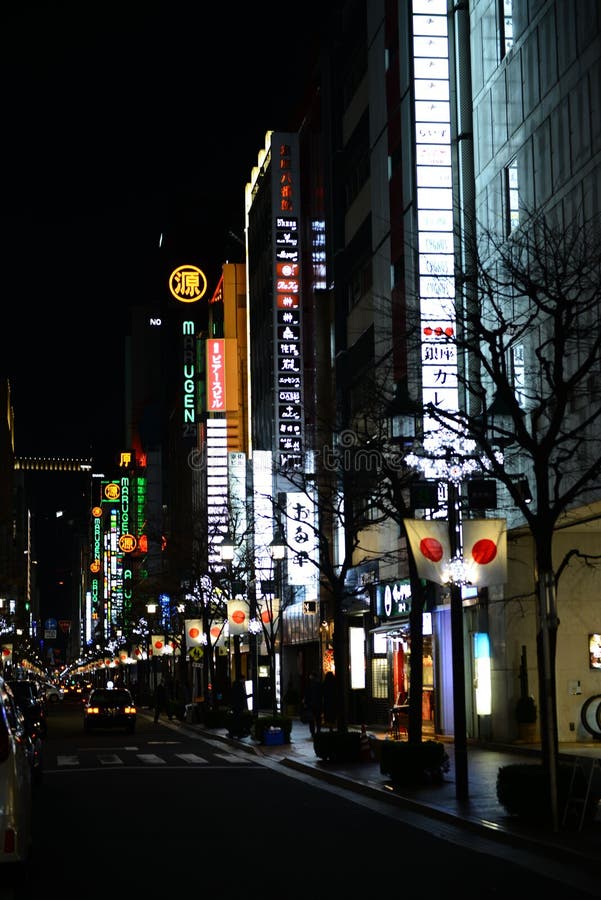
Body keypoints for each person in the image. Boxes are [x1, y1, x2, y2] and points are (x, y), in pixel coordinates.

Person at [303, 672, 323, 737]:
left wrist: (305, 703)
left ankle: (312, 732)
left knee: (311, 719)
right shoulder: (319, 684)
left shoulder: (309, 684)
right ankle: (318, 730)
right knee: (318, 718)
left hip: (311, 704)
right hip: (318, 704)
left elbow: (307, 695)